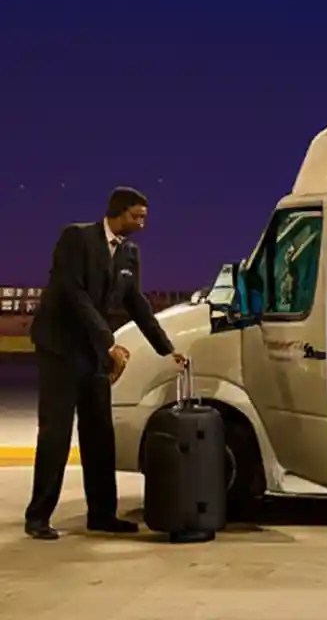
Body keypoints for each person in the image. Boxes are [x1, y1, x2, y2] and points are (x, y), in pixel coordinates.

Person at [24, 186, 186, 540]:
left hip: (93, 353)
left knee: (100, 434)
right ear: (118, 211)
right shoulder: (76, 238)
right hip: (60, 350)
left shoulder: (129, 253)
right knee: (56, 434)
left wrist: (167, 348)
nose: (142, 224)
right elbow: (73, 294)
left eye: (144, 217)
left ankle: (102, 514)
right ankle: (38, 517)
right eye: (136, 216)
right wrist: (109, 342)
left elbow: (136, 303)